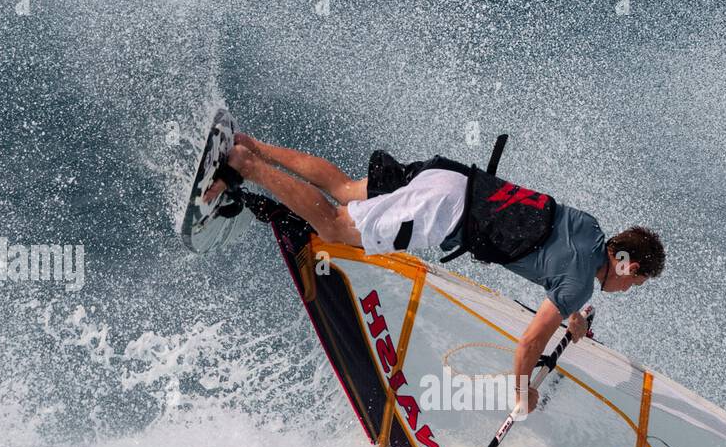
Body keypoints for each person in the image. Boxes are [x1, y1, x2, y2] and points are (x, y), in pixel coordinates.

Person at [205, 136, 665, 412]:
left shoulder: (589, 228)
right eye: (634, 283)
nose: (626, 289)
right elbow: (529, 343)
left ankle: (249, 144)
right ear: (629, 264)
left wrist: (573, 315)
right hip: (443, 212)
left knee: (344, 188)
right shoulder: (580, 281)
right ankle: (244, 166)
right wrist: (522, 393)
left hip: (454, 179)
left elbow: (561, 264)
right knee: (336, 224)